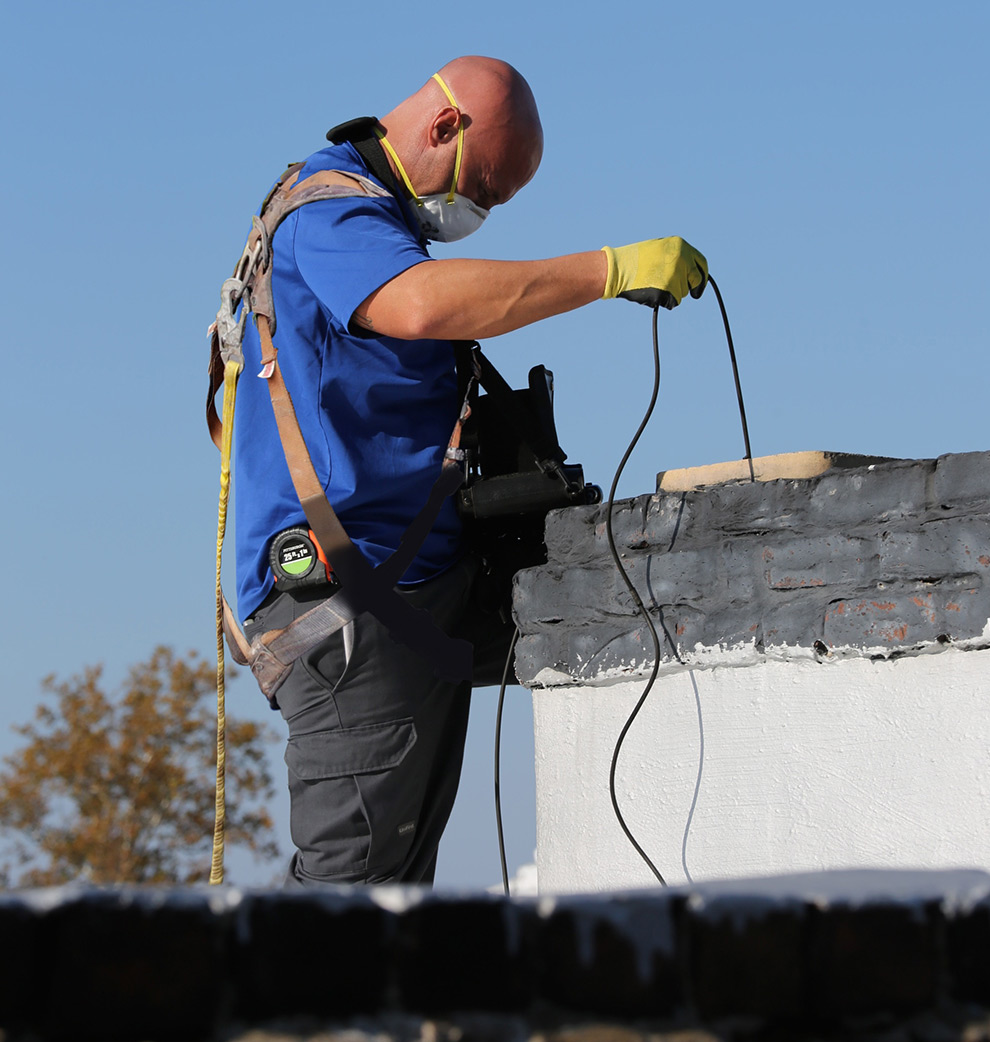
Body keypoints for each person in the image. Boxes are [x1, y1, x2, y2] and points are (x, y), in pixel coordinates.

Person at [233, 56, 707, 886]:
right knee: (353, 891)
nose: (479, 212)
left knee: (395, 891)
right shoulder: (330, 212)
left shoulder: (377, 219)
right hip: (349, 599)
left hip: (416, 584)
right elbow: (419, 303)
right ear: (444, 127)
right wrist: (608, 271)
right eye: (484, 190)